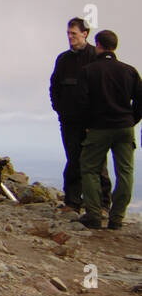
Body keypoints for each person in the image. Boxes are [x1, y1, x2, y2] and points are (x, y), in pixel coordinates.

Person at [76, 30, 142, 229]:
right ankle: (117, 218)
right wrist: (131, 119)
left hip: (98, 128)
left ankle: (94, 214)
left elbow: (82, 103)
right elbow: (140, 101)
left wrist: (87, 125)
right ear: (115, 46)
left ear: (98, 45)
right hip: (124, 127)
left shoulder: (88, 71)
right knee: (125, 172)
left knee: (89, 169)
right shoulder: (129, 71)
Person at [50, 17, 110, 212]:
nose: (70, 37)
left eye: (73, 33)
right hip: (69, 120)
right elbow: (54, 87)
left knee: (98, 163)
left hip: (93, 122)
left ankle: (102, 204)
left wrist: (95, 118)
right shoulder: (63, 59)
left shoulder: (95, 56)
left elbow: (101, 90)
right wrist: (60, 110)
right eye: (68, 33)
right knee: (74, 159)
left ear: (85, 34)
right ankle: (72, 202)